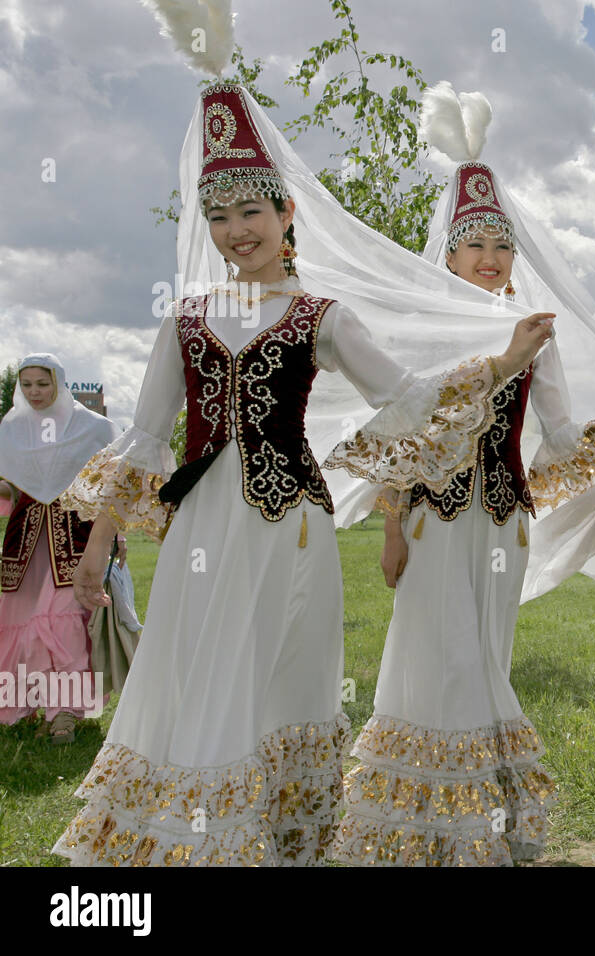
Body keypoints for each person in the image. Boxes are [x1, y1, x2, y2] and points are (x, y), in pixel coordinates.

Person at [52, 76, 552, 866]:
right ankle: (193, 845)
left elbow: (408, 399)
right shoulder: (183, 320)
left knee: (283, 679)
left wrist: (505, 362)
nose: (234, 230)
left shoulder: (321, 316)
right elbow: (144, 443)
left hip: (295, 533)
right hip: (205, 530)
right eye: (218, 215)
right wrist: (94, 547)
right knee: (197, 673)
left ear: (288, 215)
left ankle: (272, 845)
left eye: (251, 211)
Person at [327, 90, 595, 866]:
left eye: (500, 243)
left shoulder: (536, 331)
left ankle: (475, 818)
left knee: (483, 655)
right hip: (432, 518)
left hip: (504, 521)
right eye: (474, 245)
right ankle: (428, 821)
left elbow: (560, 436)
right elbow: (406, 431)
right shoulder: (420, 331)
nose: (489, 257)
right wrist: (391, 529)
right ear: (450, 254)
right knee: (440, 654)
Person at [0, 355, 120, 742]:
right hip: (26, 542)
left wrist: (114, 539)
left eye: (43, 383)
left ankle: (66, 712)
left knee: (65, 623)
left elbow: (113, 487)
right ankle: (22, 706)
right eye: (28, 384)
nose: (35, 392)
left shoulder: (93, 427)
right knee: (20, 625)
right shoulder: (12, 429)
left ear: (59, 383)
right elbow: (13, 489)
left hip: (77, 538)